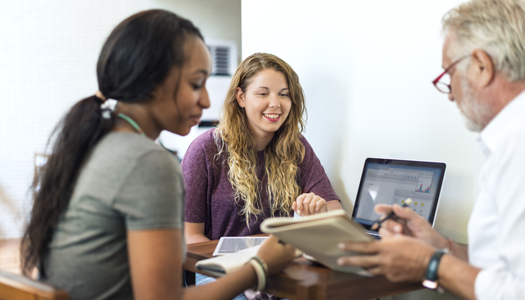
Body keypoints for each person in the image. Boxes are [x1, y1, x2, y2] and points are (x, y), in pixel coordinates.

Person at [21, 10, 295, 300]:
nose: (206, 100)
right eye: (195, 84)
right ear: (152, 81)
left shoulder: (93, 141)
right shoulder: (147, 162)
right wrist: (260, 266)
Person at [337, 0, 525, 299]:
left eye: (449, 75)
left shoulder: (518, 145)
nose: (450, 95)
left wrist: (428, 262)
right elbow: (501, 268)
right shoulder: (506, 144)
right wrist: (441, 247)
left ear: (481, 66)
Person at [182, 53, 342, 297]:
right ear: (241, 97)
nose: (275, 103)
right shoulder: (205, 149)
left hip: (278, 268)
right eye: (263, 93)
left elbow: (336, 215)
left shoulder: (296, 146)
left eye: (284, 94)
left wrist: (320, 215)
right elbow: (190, 236)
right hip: (218, 272)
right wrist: (242, 270)